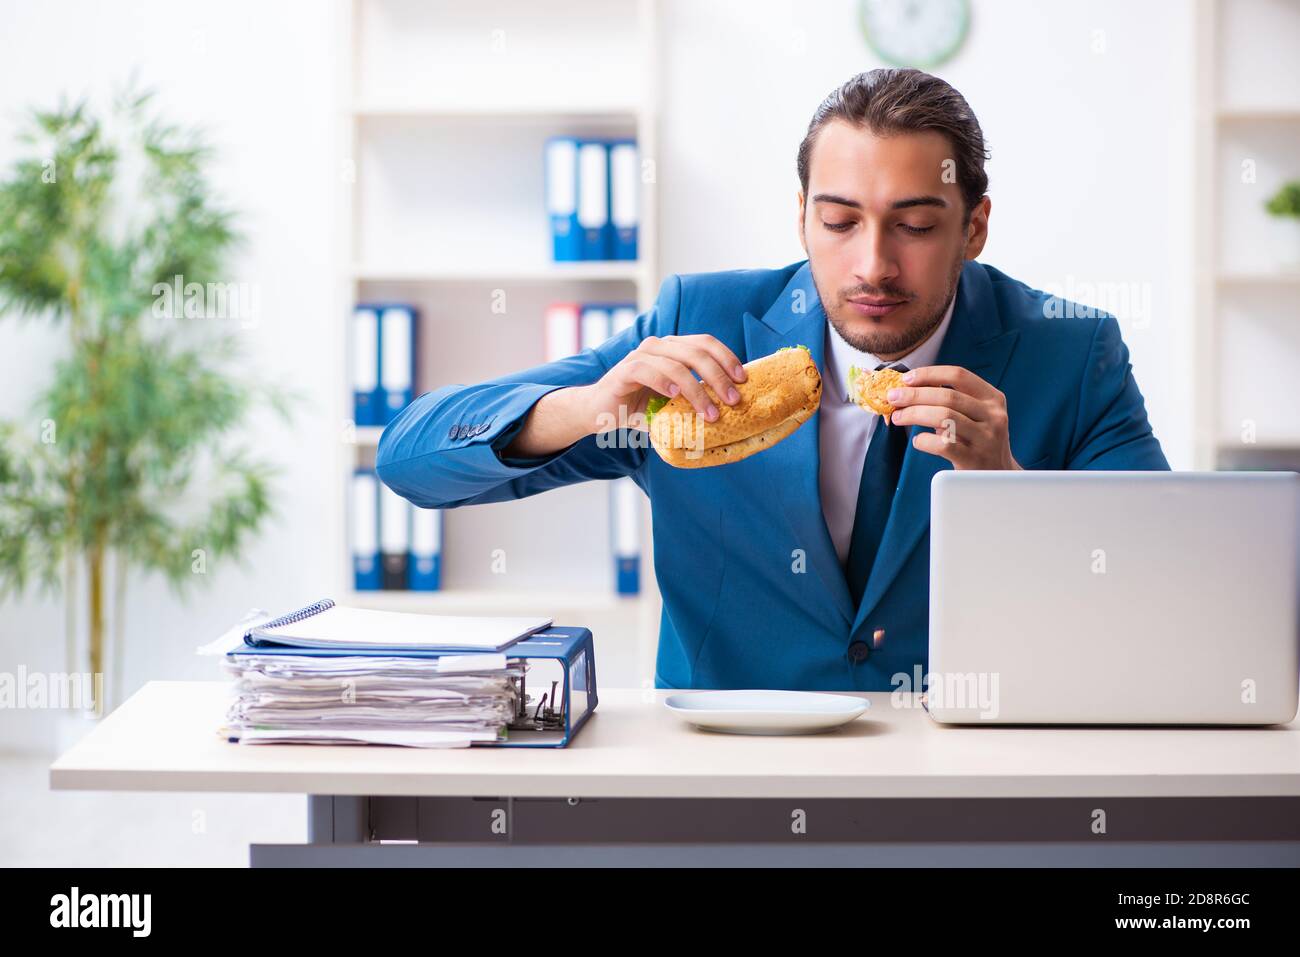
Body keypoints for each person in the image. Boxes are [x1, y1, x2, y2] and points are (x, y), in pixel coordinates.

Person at [377, 68, 1169, 691]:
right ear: (801, 220)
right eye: (839, 222)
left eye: (918, 226)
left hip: (973, 782)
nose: (873, 265)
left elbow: (1155, 596)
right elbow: (409, 460)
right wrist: (587, 407)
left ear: (976, 227)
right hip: (726, 788)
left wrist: (1010, 489)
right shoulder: (702, 320)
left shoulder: (1072, 351)